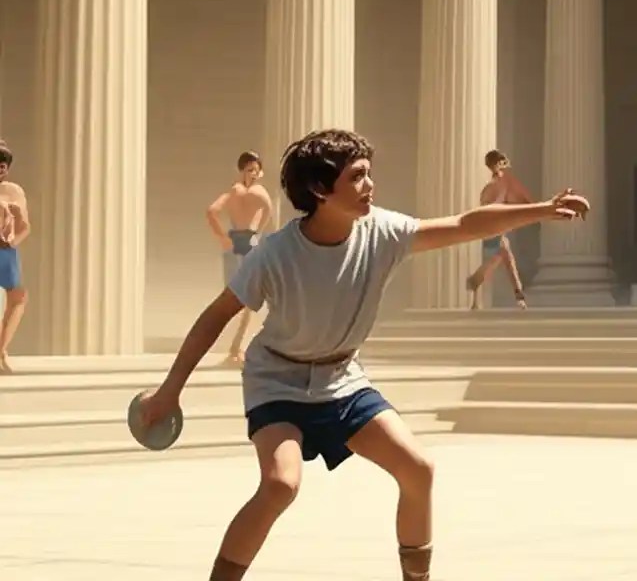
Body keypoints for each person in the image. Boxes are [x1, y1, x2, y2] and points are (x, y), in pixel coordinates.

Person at [137, 129, 589, 581]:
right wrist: (169, 391)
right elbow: (216, 315)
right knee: (280, 485)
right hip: (277, 382)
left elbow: (465, 224)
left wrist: (542, 209)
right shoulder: (274, 254)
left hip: (342, 380)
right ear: (320, 189)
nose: (370, 185)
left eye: (368, 173)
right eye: (356, 177)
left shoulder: (383, 231)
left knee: (418, 469)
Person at [206, 151, 274, 367]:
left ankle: (236, 348)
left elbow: (212, 211)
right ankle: (235, 348)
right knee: (241, 297)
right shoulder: (248, 192)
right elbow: (212, 211)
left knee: (243, 298)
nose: (253, 174)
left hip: (239, 241)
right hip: (241, 242)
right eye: (249, 170)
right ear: (242, 171)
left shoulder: (239, 192)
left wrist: (226, 237)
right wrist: (225, 236)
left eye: (255, 170)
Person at [465, 149, 535, 310]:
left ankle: (476, 282)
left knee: (500, 260)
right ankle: (519, 297)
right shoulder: (494, 186)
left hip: (495, 227)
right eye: (500, 163)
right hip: (491, 227)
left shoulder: (500, 185)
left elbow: (513, 201)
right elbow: (488, 207)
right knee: (505, 257)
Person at [0, 142, 29, 373]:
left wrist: (13, 241)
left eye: (3, 164)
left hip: (6, 250)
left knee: (17, 298)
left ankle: (1, 348)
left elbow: (25, 226)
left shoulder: (14, 191)